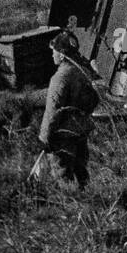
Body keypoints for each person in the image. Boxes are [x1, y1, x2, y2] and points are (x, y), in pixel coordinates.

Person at [38, 30, 100, 189]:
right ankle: (88, 200)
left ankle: (70, 204)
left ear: (62, 53)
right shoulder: (83, 71)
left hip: (63, 135)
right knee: (81, 171)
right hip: (81, 130)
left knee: (62, 174)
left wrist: (44, 138)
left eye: (54, 51)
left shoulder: (60, 77)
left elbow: (53, 110)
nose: (53, 55)